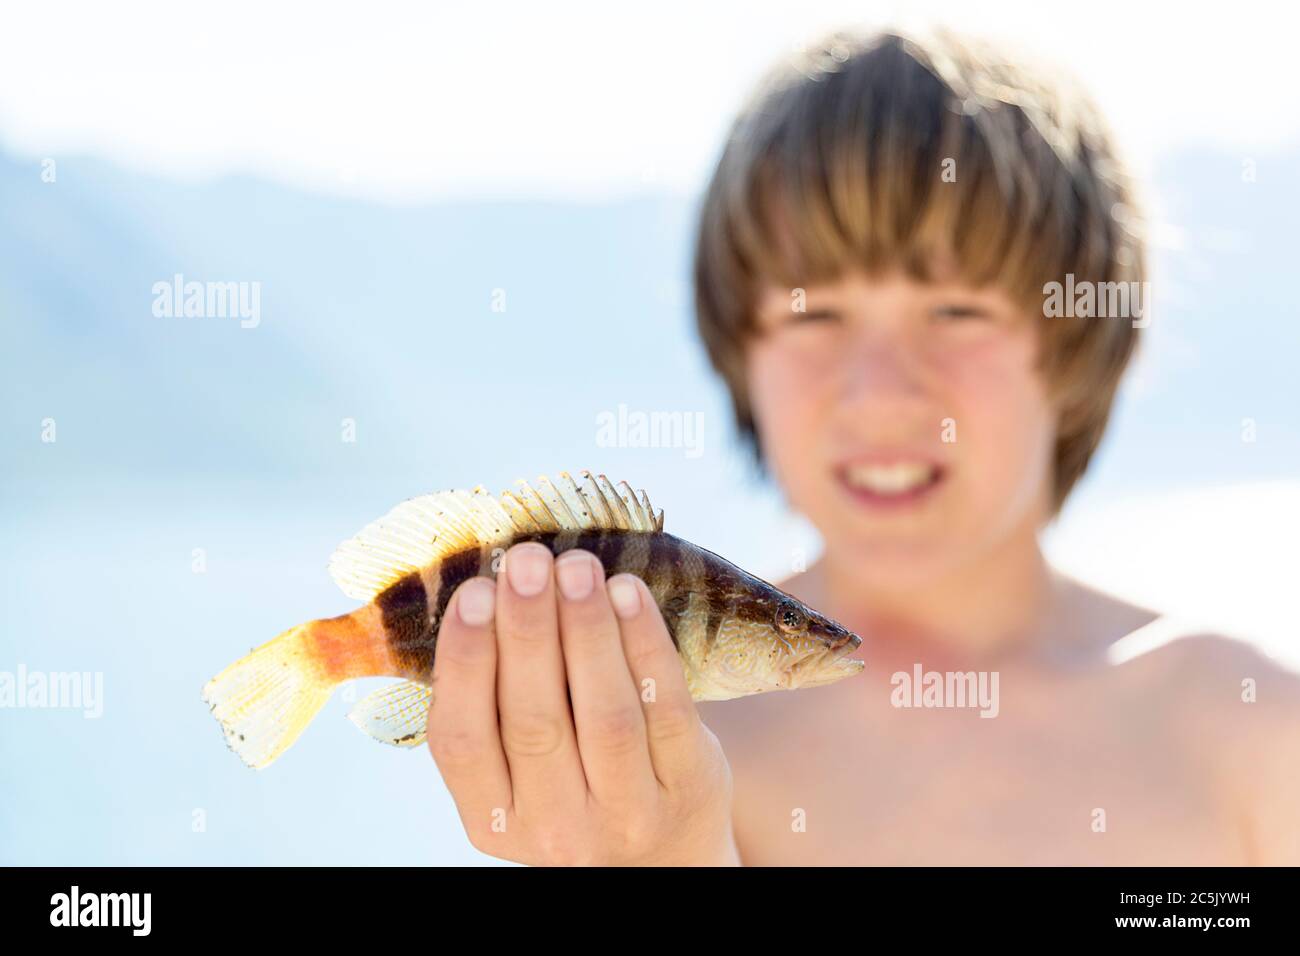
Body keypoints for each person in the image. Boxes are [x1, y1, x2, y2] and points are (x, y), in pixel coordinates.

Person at [425, 26, 1300, 865]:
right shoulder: (639, 742)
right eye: (814, 314)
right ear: (741, 351)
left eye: (958, 312)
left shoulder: (1254, 733)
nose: (879, 392)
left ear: (1077, 343)